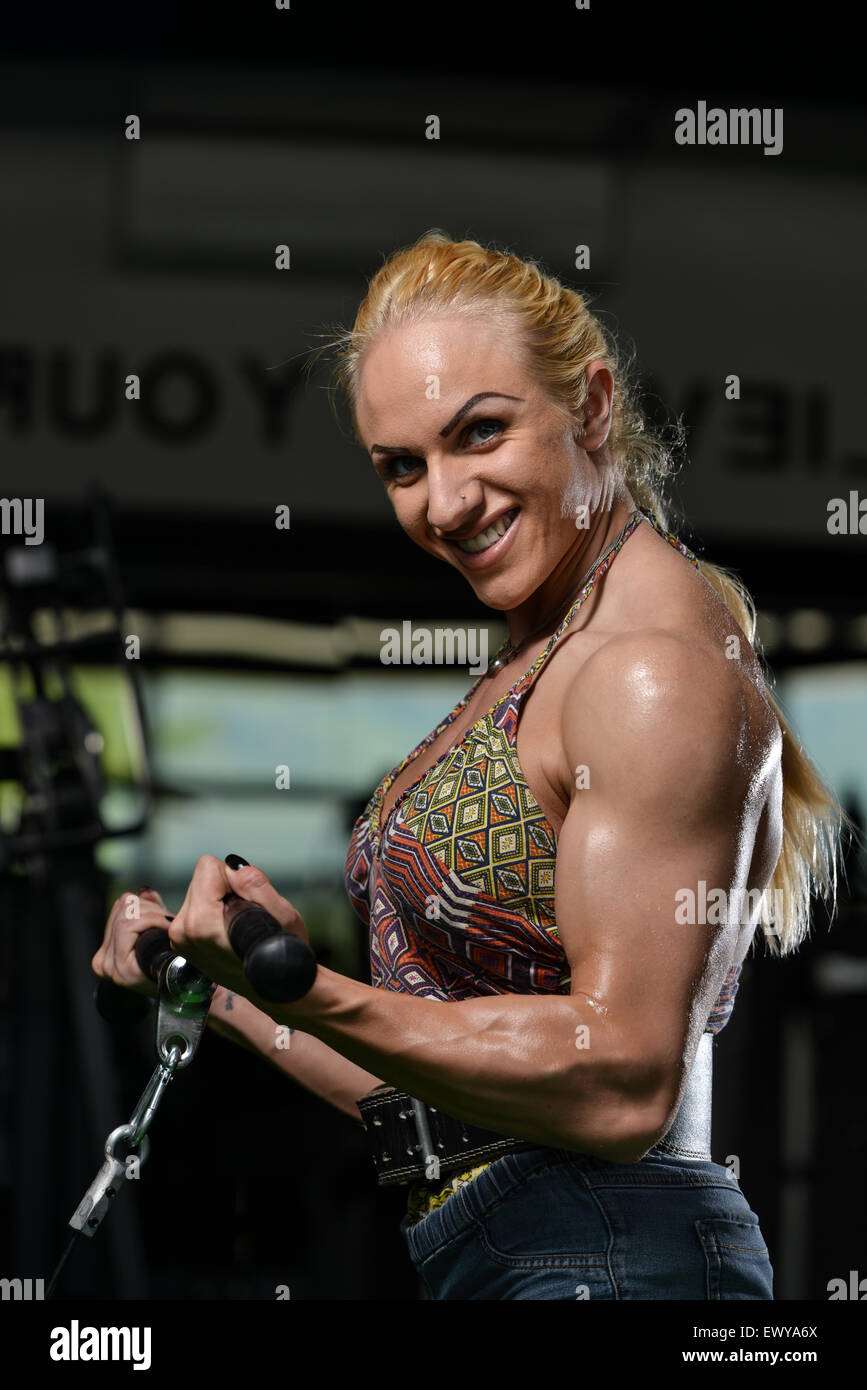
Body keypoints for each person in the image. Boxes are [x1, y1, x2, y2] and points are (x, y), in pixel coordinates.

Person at [93, 231, 845, 1300]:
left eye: (479, 434)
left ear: (589, 406)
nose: (443, 505)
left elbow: (624, 1080)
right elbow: (436, 1091)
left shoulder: (646, 673)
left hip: (615, 1258)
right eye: (403, 466)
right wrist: (230, 991)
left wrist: (314, 987)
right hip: (519, 1252)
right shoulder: (550, 649)